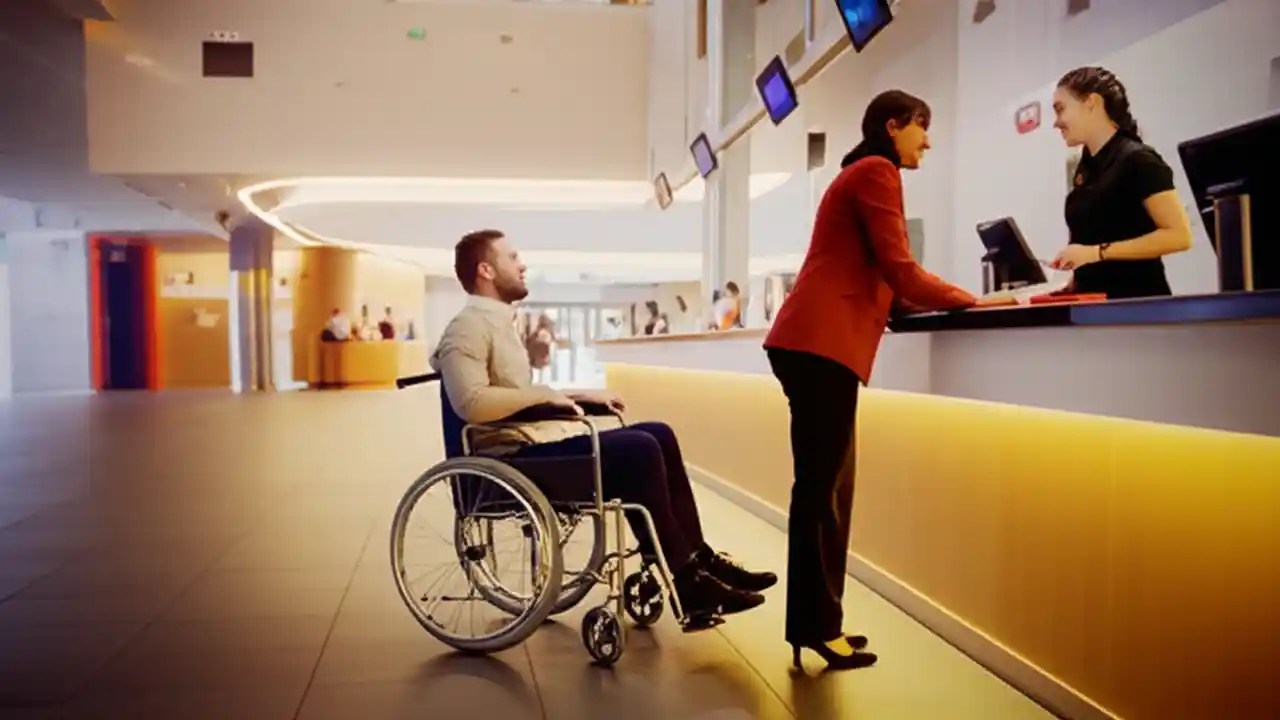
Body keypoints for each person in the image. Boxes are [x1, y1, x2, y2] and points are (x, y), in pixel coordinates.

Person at [431, 229, 777, 622]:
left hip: (528, 444)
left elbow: (513, 394)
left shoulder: (494, 323)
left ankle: (698, 559)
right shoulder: (467, 328)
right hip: (510, 460)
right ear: (486, 270)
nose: (523, 264)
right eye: (513, 257)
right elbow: (471, 402)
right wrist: (544, 396)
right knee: (640, 450)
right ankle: (686, 580)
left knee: (658, 433)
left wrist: (576, 395)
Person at [763, 90, 995, 671]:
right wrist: (975, 299)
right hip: (820, 347)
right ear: (892, 127)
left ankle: (820, 626)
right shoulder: (876, 171)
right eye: (922, 127)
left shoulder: (861, 173)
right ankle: (816, 628)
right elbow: (900, 268)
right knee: (822, 494)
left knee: (829, 491)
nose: (928, 140)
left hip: (816, 346)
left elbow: (880, 273)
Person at [1049, 67, 1193, 298]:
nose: (1056, 123)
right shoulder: (1085, 166)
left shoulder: (1139, 159)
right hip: (1093, 308)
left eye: (1060, 110)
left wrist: (1097, 253)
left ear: (1091, 103)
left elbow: (1179, 236)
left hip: (1137, 308)